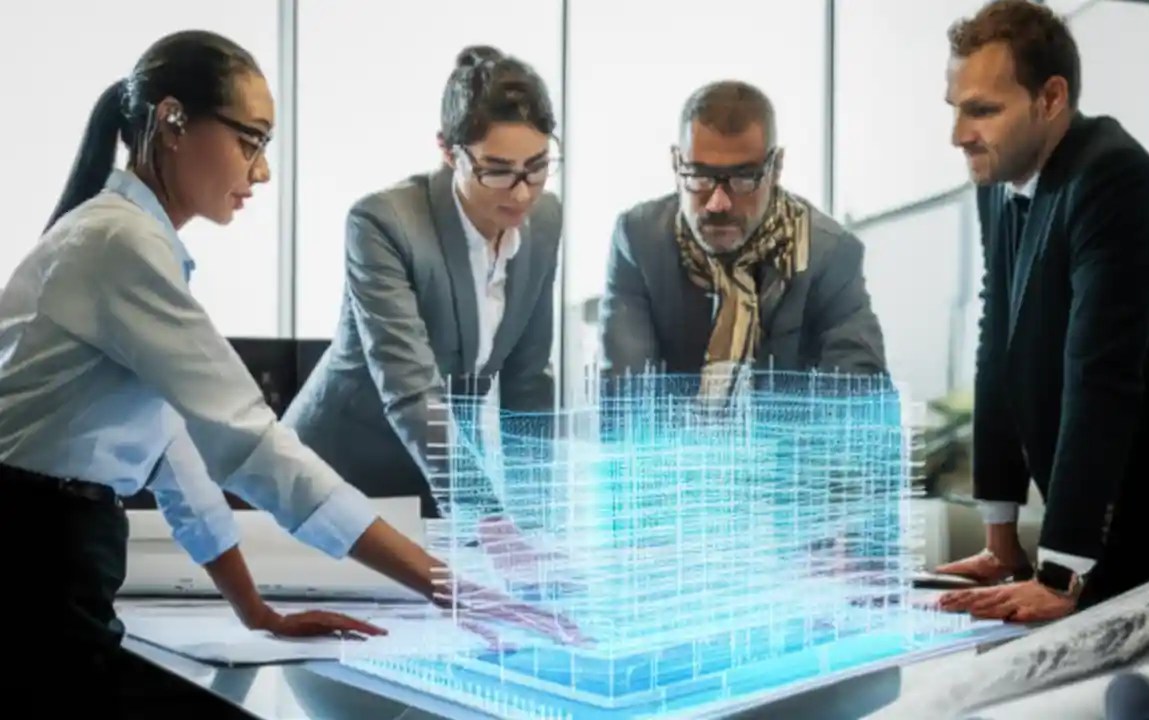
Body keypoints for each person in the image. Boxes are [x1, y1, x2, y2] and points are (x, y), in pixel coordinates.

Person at [0, 31, 510, 717]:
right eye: (250, 141)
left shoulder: (126, 241)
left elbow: (175, 454)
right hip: (32, 557)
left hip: (54, 553)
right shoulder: (119, 243)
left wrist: (256, 611)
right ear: (173, 122)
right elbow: (253, 445)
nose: (261, 172)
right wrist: (445, 585)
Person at [935, 0, 1149, 621]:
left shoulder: (1113, 178)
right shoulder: (1000, 184)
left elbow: (1100, 376)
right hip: (1090, 560)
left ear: (1051, 98)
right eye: (956, 108)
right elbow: (999, 347)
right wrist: (1001, 538)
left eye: (983, 110)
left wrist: (1058, 571)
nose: (959, 133)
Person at [282, 46, 561, 521]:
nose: (521, 193)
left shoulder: (545, 220)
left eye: (536, 167)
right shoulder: (384, 223)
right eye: (497, 171)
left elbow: (528, 382)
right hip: (335, 474)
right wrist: (489, 518)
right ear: (449, 153)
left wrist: (535, 517)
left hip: (437, 481)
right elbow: (412, 391)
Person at [598, 80, 886, 398]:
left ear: (776, 168)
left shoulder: (827, 254)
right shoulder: (639, 242)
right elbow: (625, 399)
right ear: (676, 164)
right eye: (699, 176)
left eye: (743, 178)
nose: (718, 203)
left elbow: (857, 394)